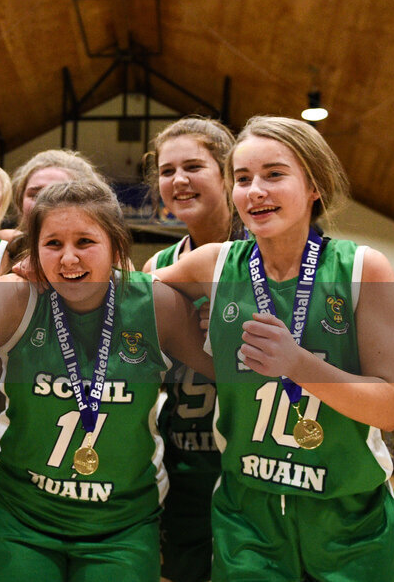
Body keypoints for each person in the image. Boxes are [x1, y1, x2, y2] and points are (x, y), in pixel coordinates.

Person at [0, 178, 213, 582]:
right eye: (53, 244)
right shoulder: (14, 297)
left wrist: (231, 320)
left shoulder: (156, 304)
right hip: (20, 517)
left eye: (85, 242)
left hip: (123, 522)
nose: (68, 258)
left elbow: (230, 368)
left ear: (116, 245)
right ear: (34, 252)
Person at [155, 115, 394, 581]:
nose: (255, 191)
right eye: (243, 178)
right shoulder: (215, 263)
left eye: (274, 174)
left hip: (349, 518)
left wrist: (299, 364)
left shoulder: (363, 268)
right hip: (248, 515)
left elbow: (390, 408)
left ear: (315, 184)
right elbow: (119, 297)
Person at [140, 116, 237, 582]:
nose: (177, 180)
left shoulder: (268, 253)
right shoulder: (158, 264)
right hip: (183, 459)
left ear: (228, 173)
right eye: (166, 170)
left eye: (193, 166)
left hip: (251, 455)